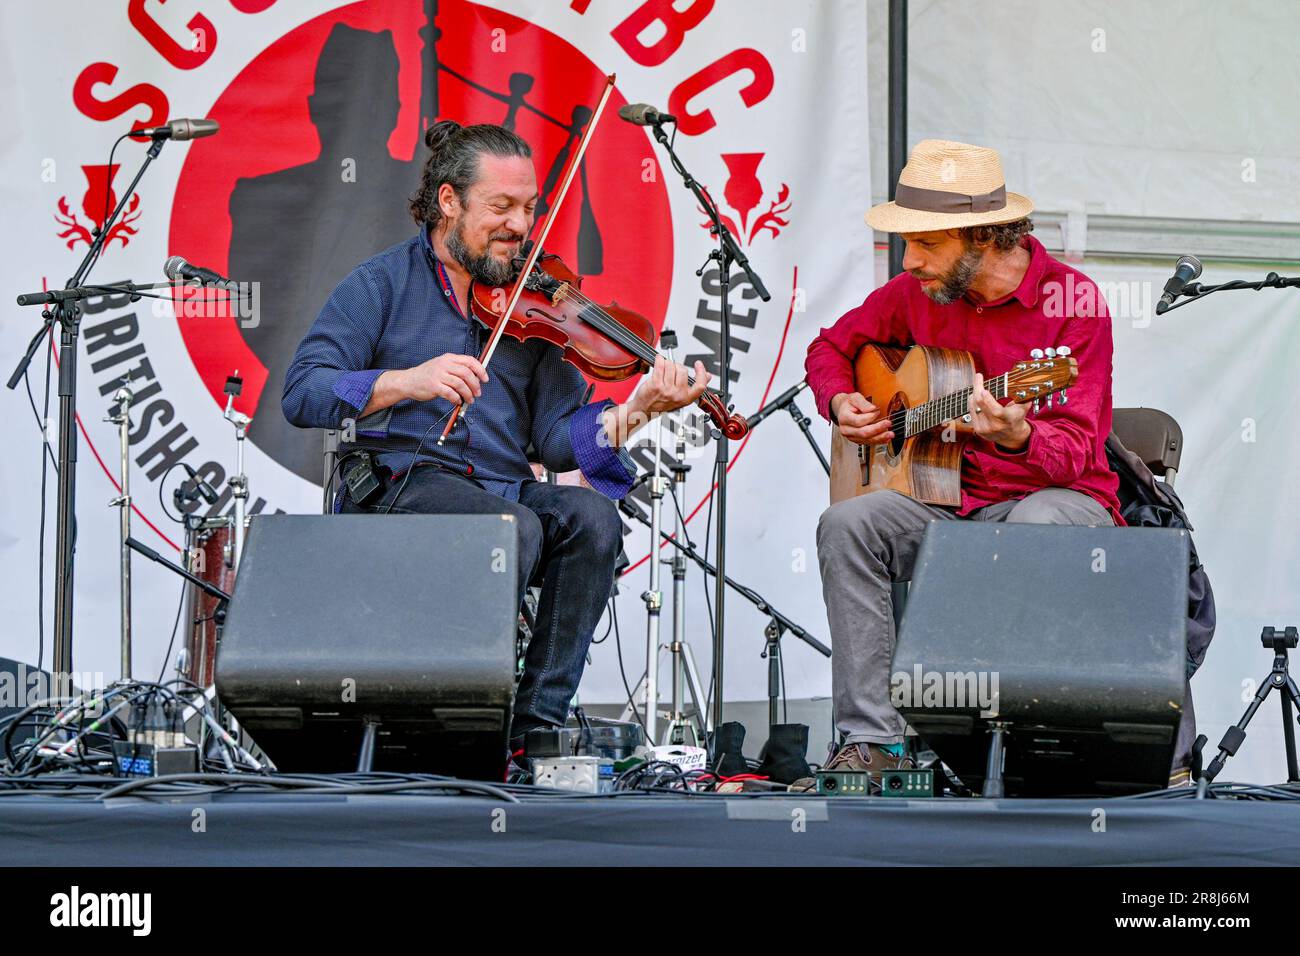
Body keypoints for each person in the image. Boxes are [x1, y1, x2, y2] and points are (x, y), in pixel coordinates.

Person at [283, 120, 709, 750]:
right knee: (513, 528)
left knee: (592, 517)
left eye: (530, 207)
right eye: (501, 206)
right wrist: (406, 381)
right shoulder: (381, 284)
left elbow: (561, 441)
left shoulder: (536, 301)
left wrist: (641, 407)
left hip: (502, 489)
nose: (519, 225)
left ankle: (535, 730)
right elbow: (304, 390)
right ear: (449, 201)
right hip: (402, 485)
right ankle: (458, 723)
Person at [799, 139, 1122, 789]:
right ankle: (872, 741)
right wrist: (840, 399)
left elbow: (1076, 452)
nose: (910, 260)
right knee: (848, 524)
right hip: (945, 496)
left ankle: (1025, 747)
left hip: (1058, 496)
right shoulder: (913, 295)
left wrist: (1015, 433)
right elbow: (830, 346)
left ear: (983, 235)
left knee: (1035, 524)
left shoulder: (1072, 303)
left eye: (927, 244)